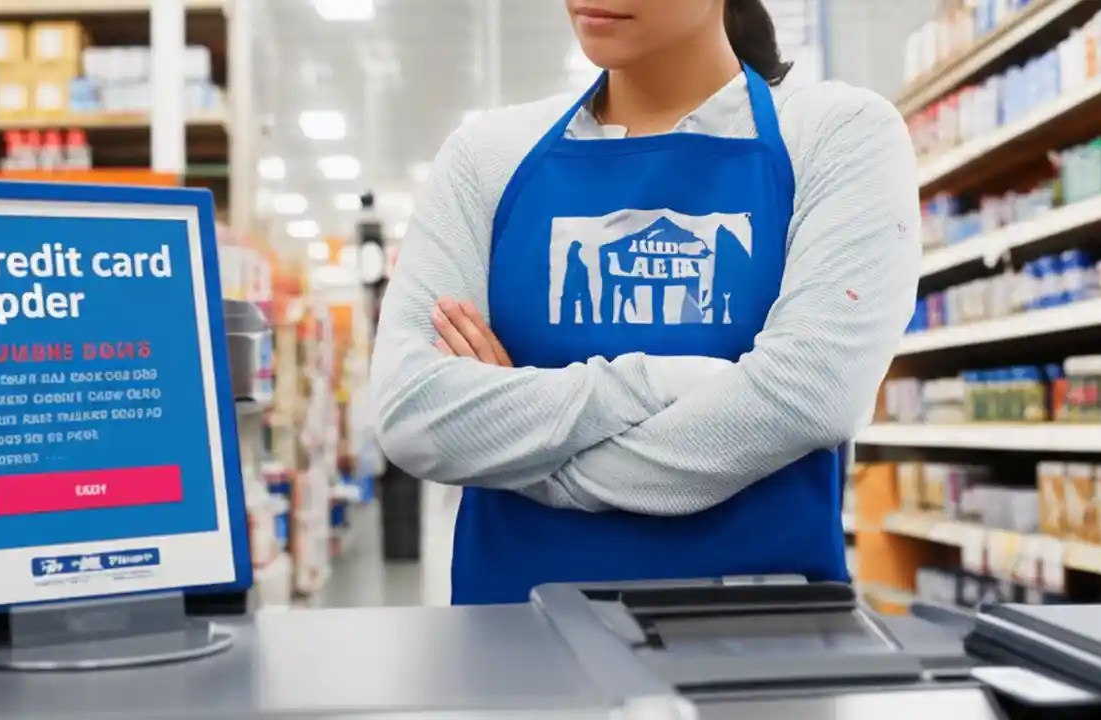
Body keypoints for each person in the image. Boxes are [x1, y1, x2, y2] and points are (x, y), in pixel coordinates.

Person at [371, 0, 921, 605]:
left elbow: (809, 396)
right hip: (516, 639)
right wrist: (667, 381)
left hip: (762, 638)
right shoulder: (486, 158)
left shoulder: (837, 135)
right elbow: (415, 412)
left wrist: (527, 453)